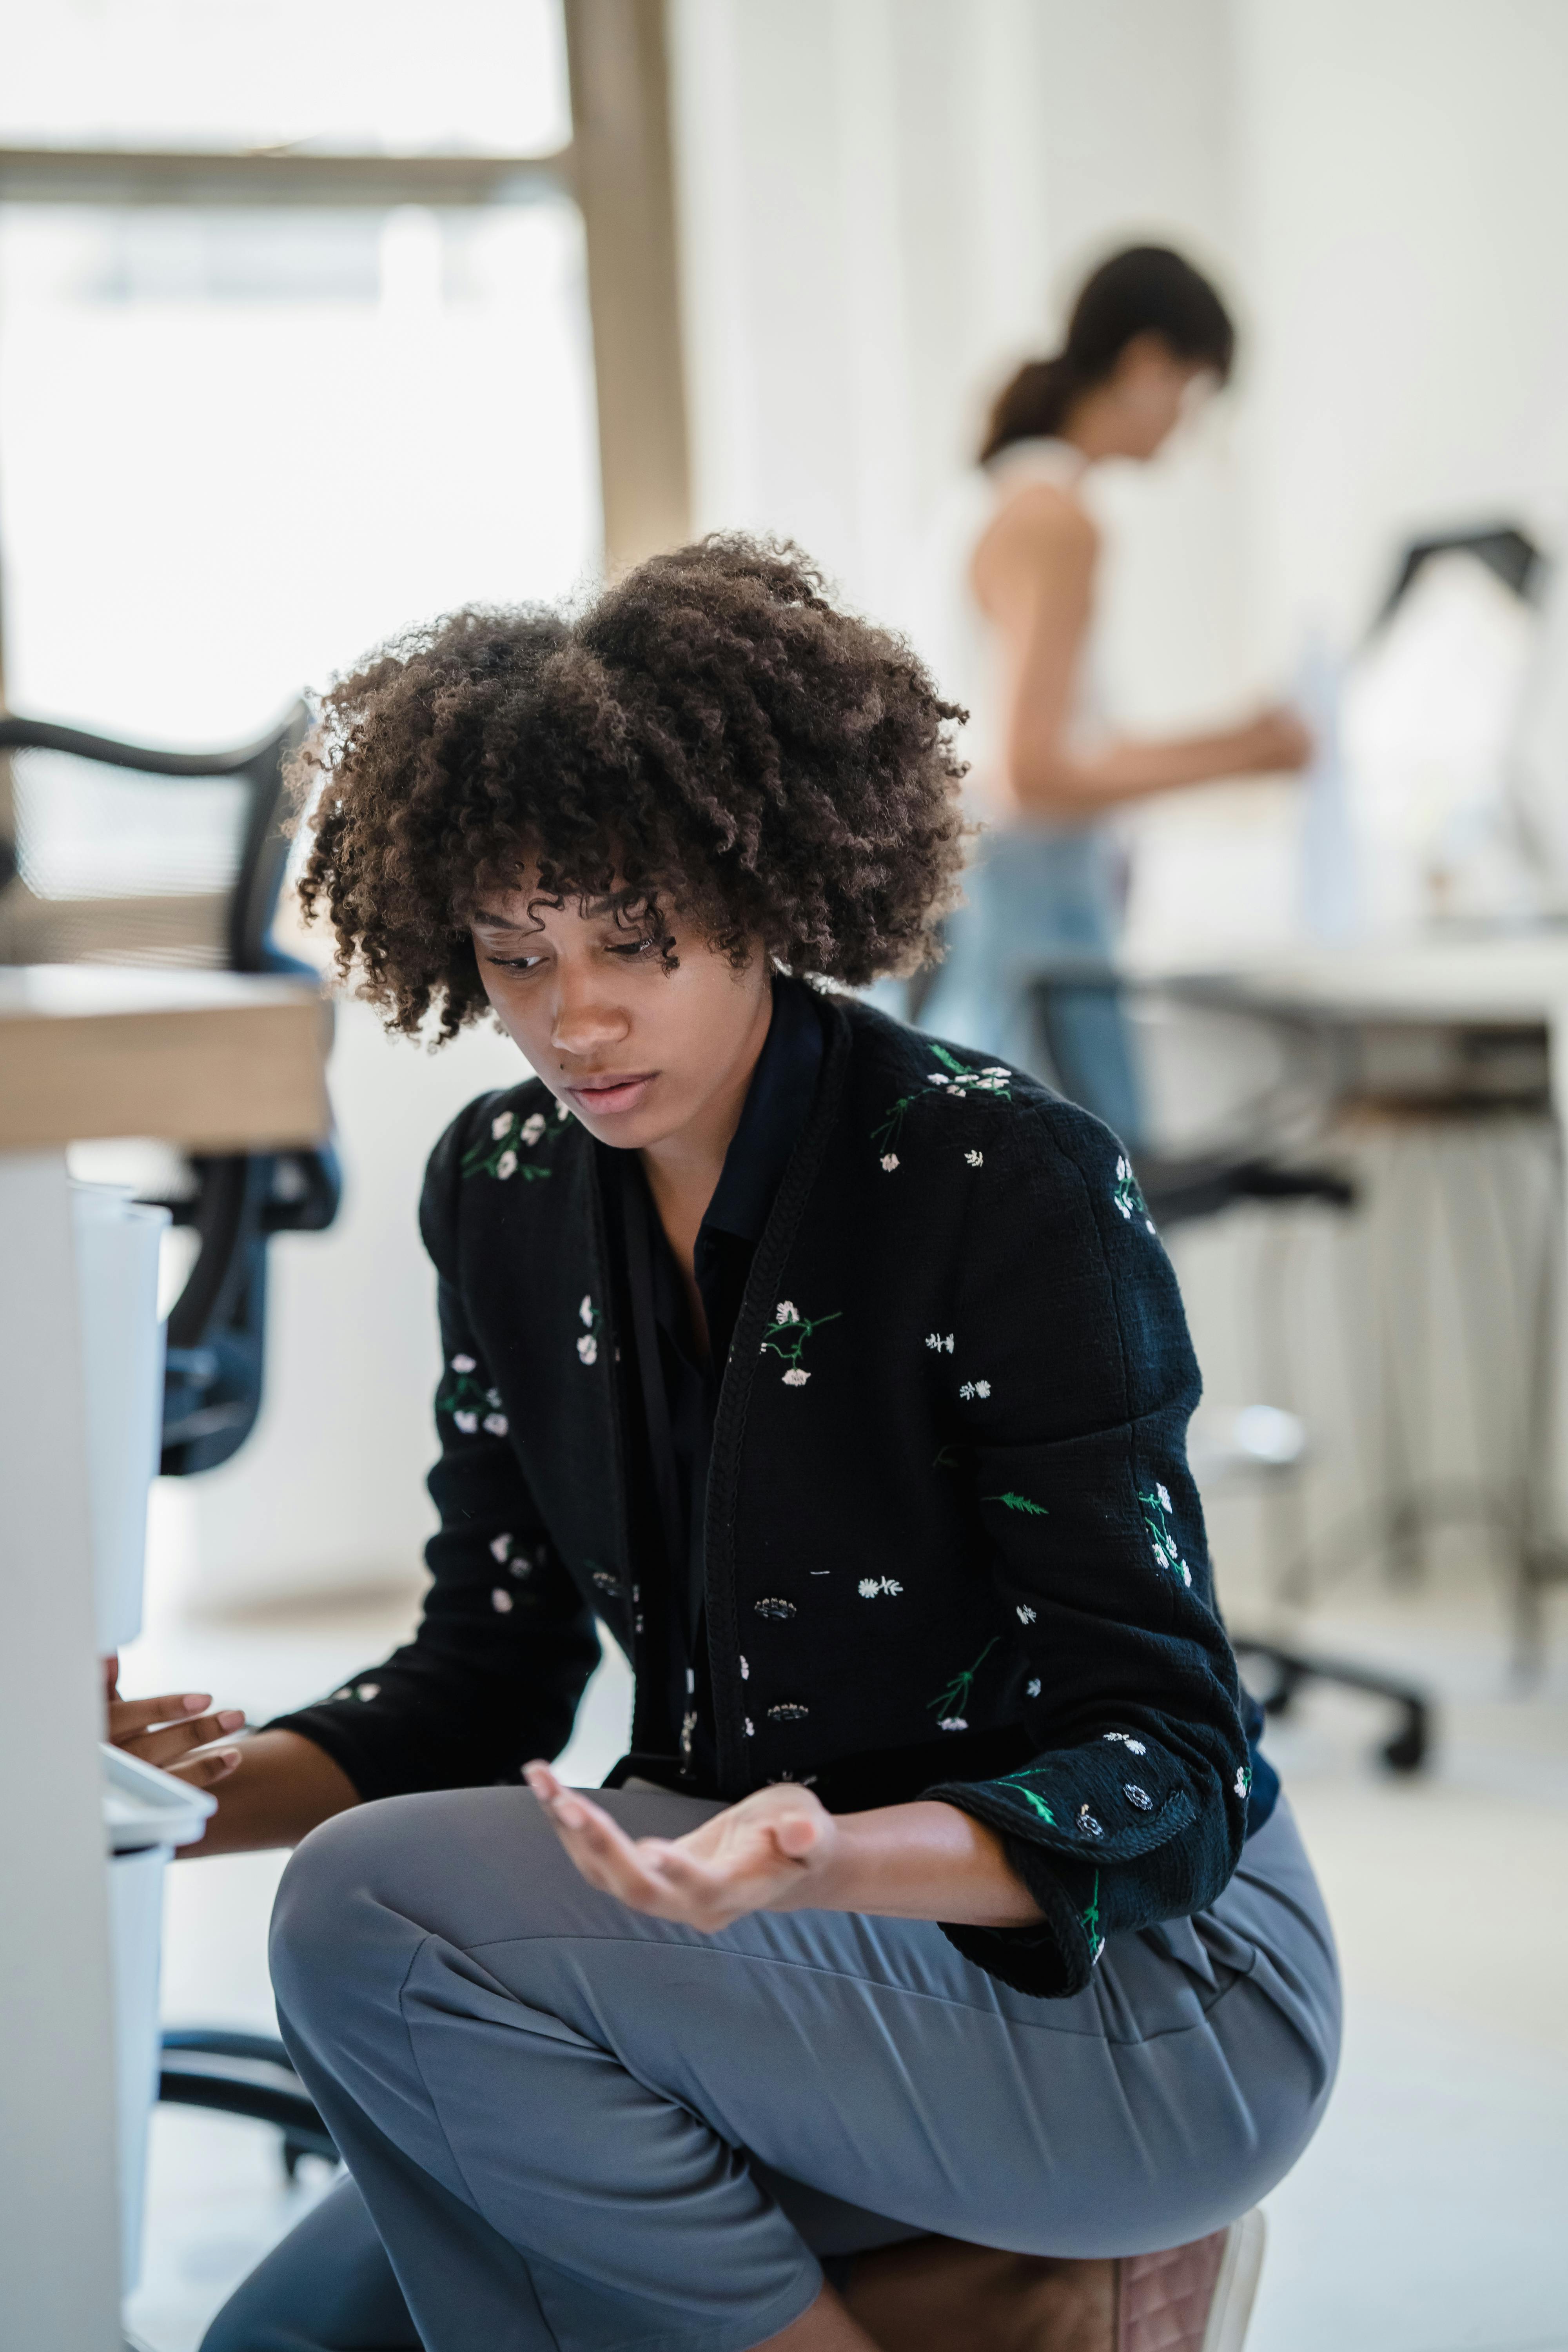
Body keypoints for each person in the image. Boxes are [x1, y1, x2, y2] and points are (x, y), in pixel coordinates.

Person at [110, 538, 1338, 2352]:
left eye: (633, 941)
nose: (569, 1016)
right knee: (279, 2343)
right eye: (514, 954)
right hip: (745, 1940)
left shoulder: (1002, 1178)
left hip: (1135, 1994)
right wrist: (145, 1805)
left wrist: (818, 1857)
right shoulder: (506, 1188)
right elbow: (482, 1677)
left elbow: (1159, 1763)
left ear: (764, 892)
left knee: (366, 1910)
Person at [917, 245, 1313, 1137]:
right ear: (1146, 366)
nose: (1182, 424)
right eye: (1192, 392)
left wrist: (1237, 746)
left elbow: (1023, 750)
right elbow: (1028, 773)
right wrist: (1247, 755)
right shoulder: (1056, 519)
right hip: (1030, 910)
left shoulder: (988, 497)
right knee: (1082, 1222)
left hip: (982, 906)